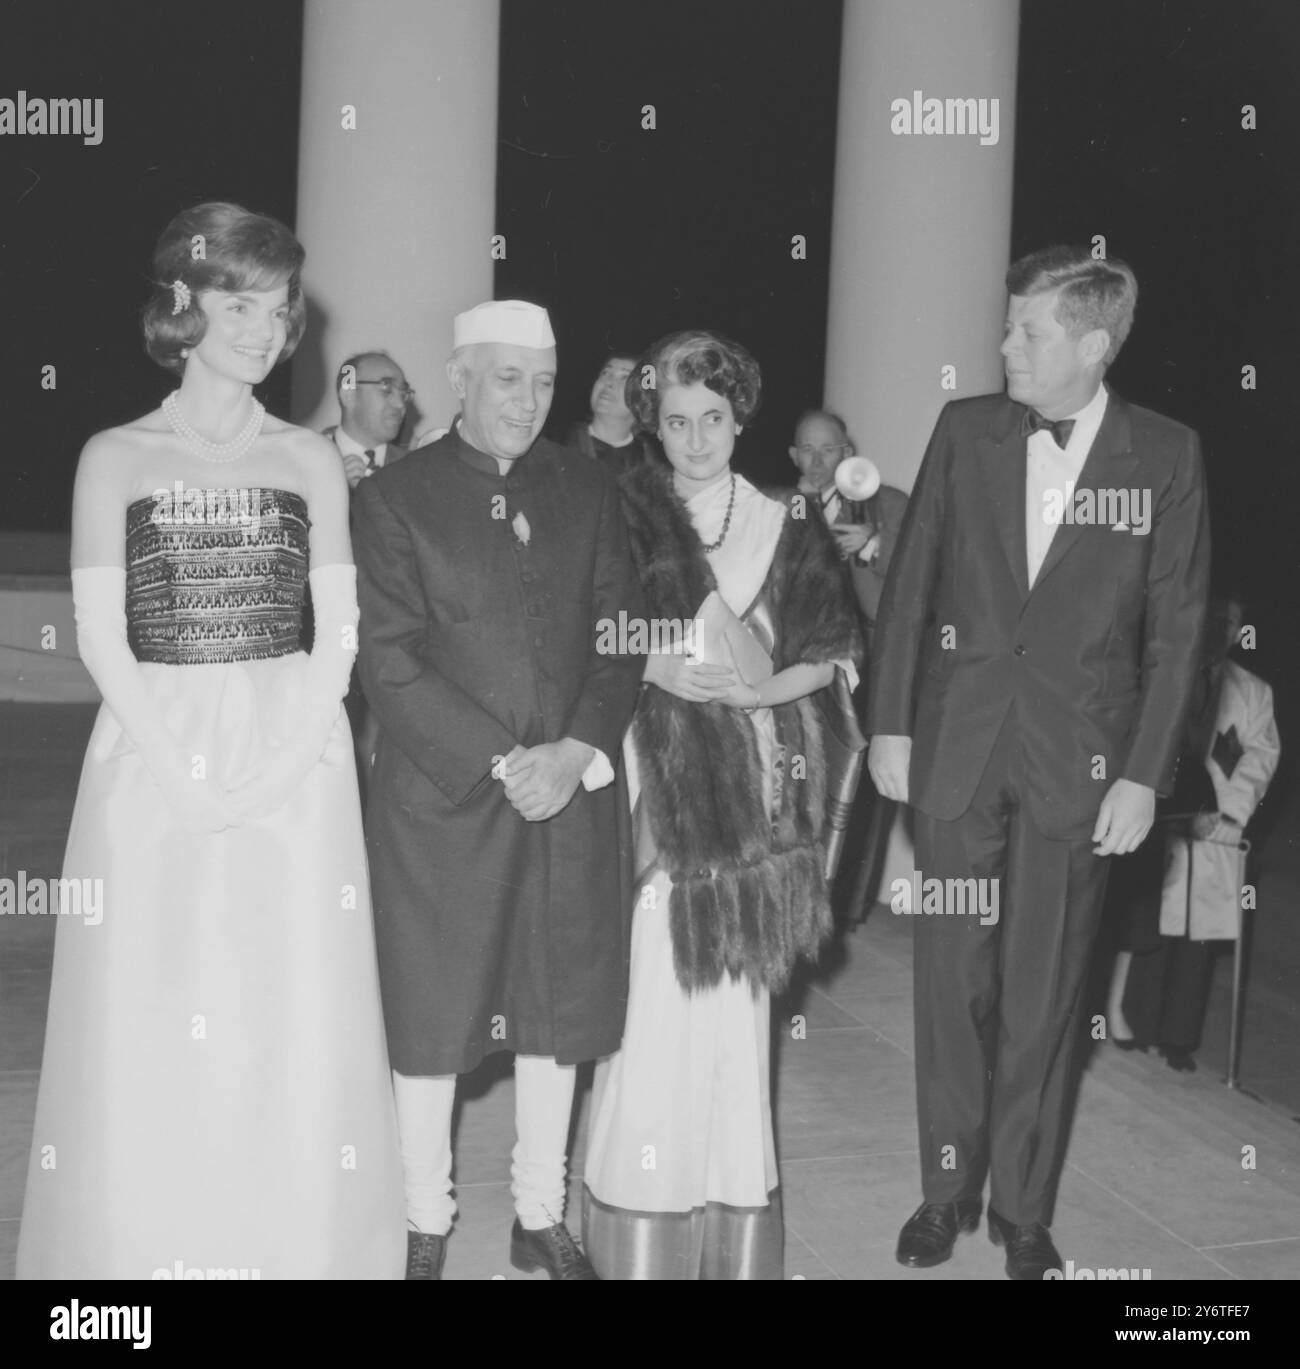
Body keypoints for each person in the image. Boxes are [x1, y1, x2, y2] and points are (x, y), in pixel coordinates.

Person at [16, 202, 405, 1279]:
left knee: (286, 1020)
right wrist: (188, 779)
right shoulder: (115, 456)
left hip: (297, 762)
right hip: (151, 768)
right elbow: (100, 635)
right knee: (153, 1018)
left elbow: (341, 638)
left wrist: (278, 770)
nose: (265, 327)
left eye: (278, 308)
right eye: (241, 301)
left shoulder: (309, 462)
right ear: (182, 306)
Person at [868, 245, 1209, 1279]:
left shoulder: (1166, 455)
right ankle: (942, 1191)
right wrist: (889, 722)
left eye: (1029, 331)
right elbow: (911, 581)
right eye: (1008, 327)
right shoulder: (964, 431)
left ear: (1094, 345)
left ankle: (1019, 1206)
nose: (1005, 346)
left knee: (1043, 996)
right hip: (958, 755)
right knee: (949, 986)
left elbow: (1179, 633)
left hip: (1084, 769)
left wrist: (1146, 776)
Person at [352, 300, 644, 1280]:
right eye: (508, 378)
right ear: (462, 378)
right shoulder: (395, 497)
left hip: (567, 791)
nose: (529, 400)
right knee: (433, 1013)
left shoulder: (588, 490)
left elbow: (621, 640)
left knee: (553, 1007)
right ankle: (426, 1218)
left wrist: (571, 755)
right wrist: (498, 759)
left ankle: (537, 1214)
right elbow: (386, 664)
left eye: (545, 380)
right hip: (440, 800)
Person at [582, 331, 861, 1279]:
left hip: (749, 787)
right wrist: (655, 661)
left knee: (735, 1015)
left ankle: (730, 1237)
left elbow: (827, 652)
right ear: (652, 426)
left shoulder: (787, 522)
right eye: (675, 422)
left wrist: (755, 695)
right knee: (645, 1002)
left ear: (741, 418)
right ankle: (635, 1226)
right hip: (645, 778)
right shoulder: (620, 509)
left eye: (712, 419)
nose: (695, 439)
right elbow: (588, 630)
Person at [1108, 596, 1280, 1070]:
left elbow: (1261, 758)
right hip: (1171, 818)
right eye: (1216, 620)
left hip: (1221, 826)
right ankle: (1137, 1022)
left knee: (1201, 933)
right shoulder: (1172, 675)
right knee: (1155, 924)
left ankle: (1179, 1038)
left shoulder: (1253, 691)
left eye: (1232, 623)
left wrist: (1232, 814)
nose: (1222, 630)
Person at [789, 408, 909, 655]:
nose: (817, 461)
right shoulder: (786, 507)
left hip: (878, 651)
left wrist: (873, 545)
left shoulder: (889, 502)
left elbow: (920, 566)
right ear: (794, 456)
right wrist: (804, 503)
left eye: (828, 450)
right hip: (809, 655)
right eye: (807, 450)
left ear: (847, 454)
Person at [564, 352, 662, 476]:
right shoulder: (559, 444)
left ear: (642, 399)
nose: (608, 382)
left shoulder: (653, 467)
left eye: (624, 377)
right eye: (606, 373)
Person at [324, 350, 412, 487]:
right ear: (349, 396)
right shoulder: (304, 458)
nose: (400, 404)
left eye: (403, 392)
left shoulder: (414, 467)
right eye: (386, 388)